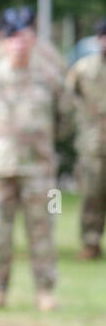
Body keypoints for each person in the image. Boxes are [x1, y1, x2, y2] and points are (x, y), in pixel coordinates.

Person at [0, 7, 75, 311]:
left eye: (24, 37)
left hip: (39, 167)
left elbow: (67, 116)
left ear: (33, 39)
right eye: (13, 38)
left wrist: (44, 141)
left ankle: (45, 291)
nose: (19, 44)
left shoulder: (49, 76)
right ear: (4, 42)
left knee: (42, 229)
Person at [67, 19, 106, 260]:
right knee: (92, 194)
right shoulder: (83, 69)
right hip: (93, 143)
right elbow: (68, 99)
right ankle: (90, 242)